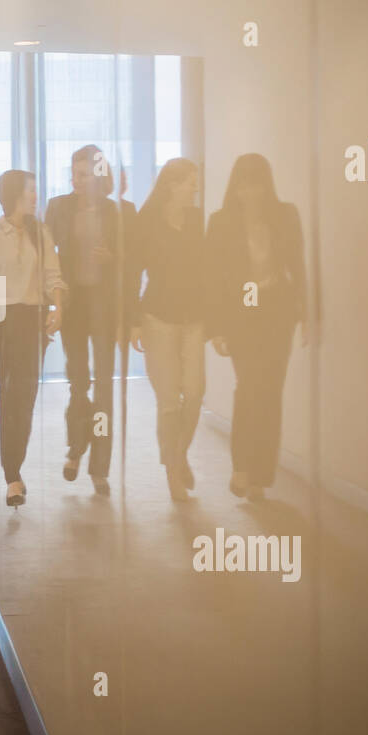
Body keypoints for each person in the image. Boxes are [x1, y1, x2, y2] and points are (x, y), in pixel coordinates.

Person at [205, 153, 309, 502]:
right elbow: (214, 279)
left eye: (257, 184)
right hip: (242, 313)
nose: (250, 192)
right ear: (235, 187)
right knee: (249, 387)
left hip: (276, 311)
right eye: (243, 184)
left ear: (267, 185)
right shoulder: (220, 222)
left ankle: (262, 475)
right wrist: (216, 328)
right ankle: (241, 468)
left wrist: (305, 312)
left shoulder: (285, 215)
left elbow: (298, 264)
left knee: (271, 392)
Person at [43, 145, 138, 496]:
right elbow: (45, 254)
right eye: (73, 172)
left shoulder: (119, 212)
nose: (75, 180)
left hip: (105, 309)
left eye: (82, 174)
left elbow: (133, 266)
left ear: (99, 176)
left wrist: (112, 258)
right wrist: (51, 304)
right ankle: (75, 449)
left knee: (104, 387)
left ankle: (99, 466)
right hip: (74, 306)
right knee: (79, 382)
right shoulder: (58, 207)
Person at [0, 170, 64, 508]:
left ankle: (14, 467)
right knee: (10, 396)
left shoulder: (41, 233)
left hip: (34, 320)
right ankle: (12, 475)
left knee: (25, 398)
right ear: (14, 195)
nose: (35, 196)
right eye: (30, 190)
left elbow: (53, 274)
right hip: (2, 322)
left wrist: (58, 308)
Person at [129, 158, 206, 504]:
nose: (196, 188)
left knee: (194, 392)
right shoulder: (146, 222)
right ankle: (173, 472)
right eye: (191, 182)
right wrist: (131, 322)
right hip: (157, 318)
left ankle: (177, 453)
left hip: (193, 319)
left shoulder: (195, 221)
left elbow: (210, 269)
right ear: (173, 185)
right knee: (168, 402)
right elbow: (131, 273)